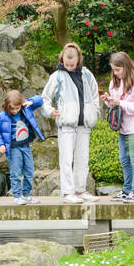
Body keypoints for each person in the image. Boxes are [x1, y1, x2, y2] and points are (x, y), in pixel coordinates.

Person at [41, 41, 100, 204]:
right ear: (62, 60)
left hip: (84, 124)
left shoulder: (87, 74)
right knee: (66, 159)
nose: (69, 66)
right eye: (66, 63)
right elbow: (45, 98)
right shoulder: (57, 76)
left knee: (83, 159)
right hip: (66, 124)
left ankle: (80, 190)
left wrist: (94, 112)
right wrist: (50, 111)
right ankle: (68, 192)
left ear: (78, 60)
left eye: (72, 64)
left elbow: (95, 95)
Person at [101, 51, 134, 202]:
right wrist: (108, 100)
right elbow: (115, 104)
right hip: (123, 126)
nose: (116, 73)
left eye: (118, 70)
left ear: (126, 66)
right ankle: (126, 190)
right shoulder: (115, 82)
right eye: (114, 70)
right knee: (124, 158)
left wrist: (120, 103)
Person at [0, 89, 45, 205]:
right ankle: (17, 196)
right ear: (6, 106)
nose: (15, 111)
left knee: (30, 170)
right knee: (15, 172)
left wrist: (30, 102)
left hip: (26, 146)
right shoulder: (1, 117)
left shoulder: (26, 110)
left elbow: (40, 99)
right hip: (13, 148)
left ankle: (26, 195)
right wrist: (0, 144)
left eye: (17, 108)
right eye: (12, 109)